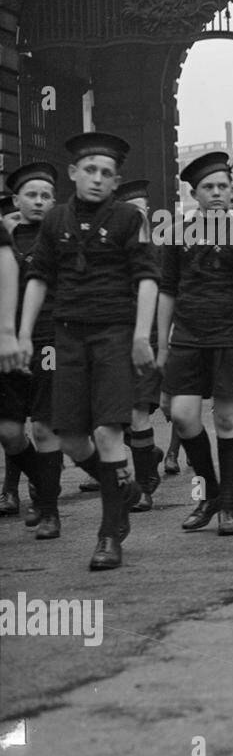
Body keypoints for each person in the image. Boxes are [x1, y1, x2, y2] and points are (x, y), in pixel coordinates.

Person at [16, 132, 158, 568]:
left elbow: (147, 279)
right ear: (74, 174)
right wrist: (23, 334)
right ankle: (124, 489)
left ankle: (109, 534)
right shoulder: (56, 220)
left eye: (107, 174)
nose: (97, 179)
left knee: (109, 433)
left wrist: (140, 335)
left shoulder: (126, 220)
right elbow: (39, 278)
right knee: (73, 440)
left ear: (116, 182)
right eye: (90, 170)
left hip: (114, 335)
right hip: (67, 337)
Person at [156, 150, 233, 534]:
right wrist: (162, 344)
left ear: (231, 189)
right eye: (208, 187)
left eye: (223, 186)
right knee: (183, 417)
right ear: (194, 194)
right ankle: (209, 492)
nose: (217, 192)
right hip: (187, 337)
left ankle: (228, 508)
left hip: (230, 337)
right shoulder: (175, 233)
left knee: (227, 418)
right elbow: (167, 291)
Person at [0, 162, 69, 538]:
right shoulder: (5, 237)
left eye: (46, 196)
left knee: (44, 428)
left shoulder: (61, 237)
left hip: (49, 340)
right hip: (7, 342)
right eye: (31, 195)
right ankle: (43, 489)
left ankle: (50, 511)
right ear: (16, 200)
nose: (39, 202)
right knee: (9, 432)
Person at [116, 179, 166, 512]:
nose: (141, 214)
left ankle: (145, 485)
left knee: (137, 412)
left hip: (148, 337)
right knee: (114, 416)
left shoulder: (164, 246)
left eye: (144, 208)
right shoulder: (114, 249)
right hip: (115, 336)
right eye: (133, 210)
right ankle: (148, 454)